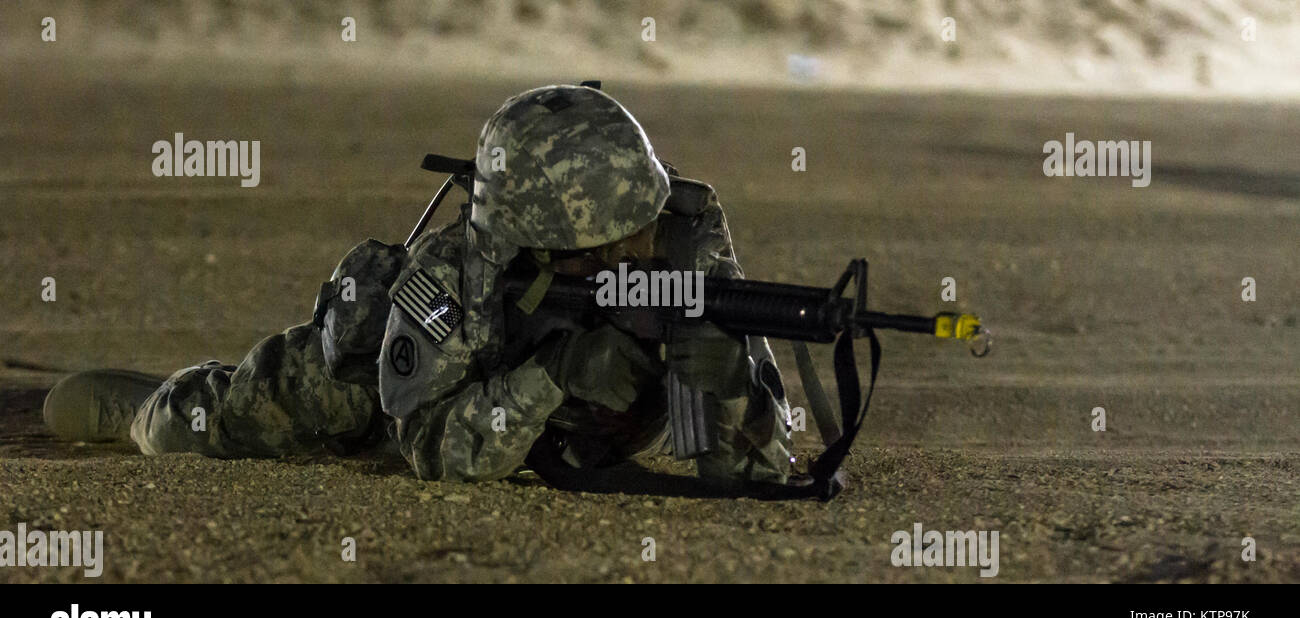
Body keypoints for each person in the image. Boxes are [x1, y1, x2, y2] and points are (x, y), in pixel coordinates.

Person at [43, 84, 796, 492]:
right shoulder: (451, 275)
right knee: (271, 406)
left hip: (582, 426)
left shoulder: (678, 237)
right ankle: (153, 407)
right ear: (531, 237)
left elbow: (757, 466)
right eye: (604, 242)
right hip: (407, 401)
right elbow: (432, 450)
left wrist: (734, 389)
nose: (636, 246)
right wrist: (555, 373)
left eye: (639, 221)